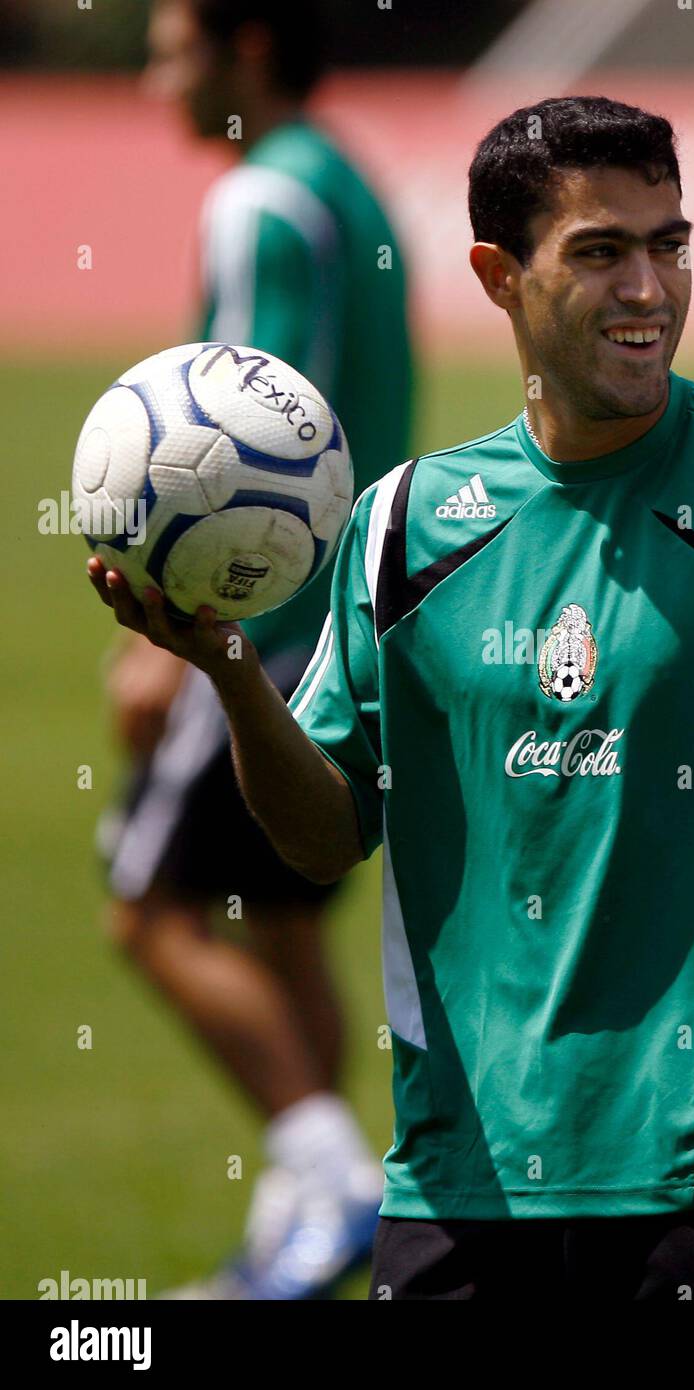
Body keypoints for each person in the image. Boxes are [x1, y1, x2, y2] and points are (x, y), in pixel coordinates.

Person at [89, 95, 694, 1301]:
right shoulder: (401, 522)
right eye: (600, 252)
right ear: (498, 276)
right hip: (458, 1195)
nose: (648, 290)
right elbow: (320, 835)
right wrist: (231, 669)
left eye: (668, 244)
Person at [97, 0, 412, 1298]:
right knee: (283, 929)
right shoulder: (343, 176)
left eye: (172, 46)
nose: (151, 74)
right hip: (364, 618)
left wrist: (181, 644)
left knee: (147, 908)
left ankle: (329, 1177)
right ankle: (325, 1218)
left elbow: (242, 432)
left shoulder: (260, 205)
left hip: (269, 630)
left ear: (249, 48)